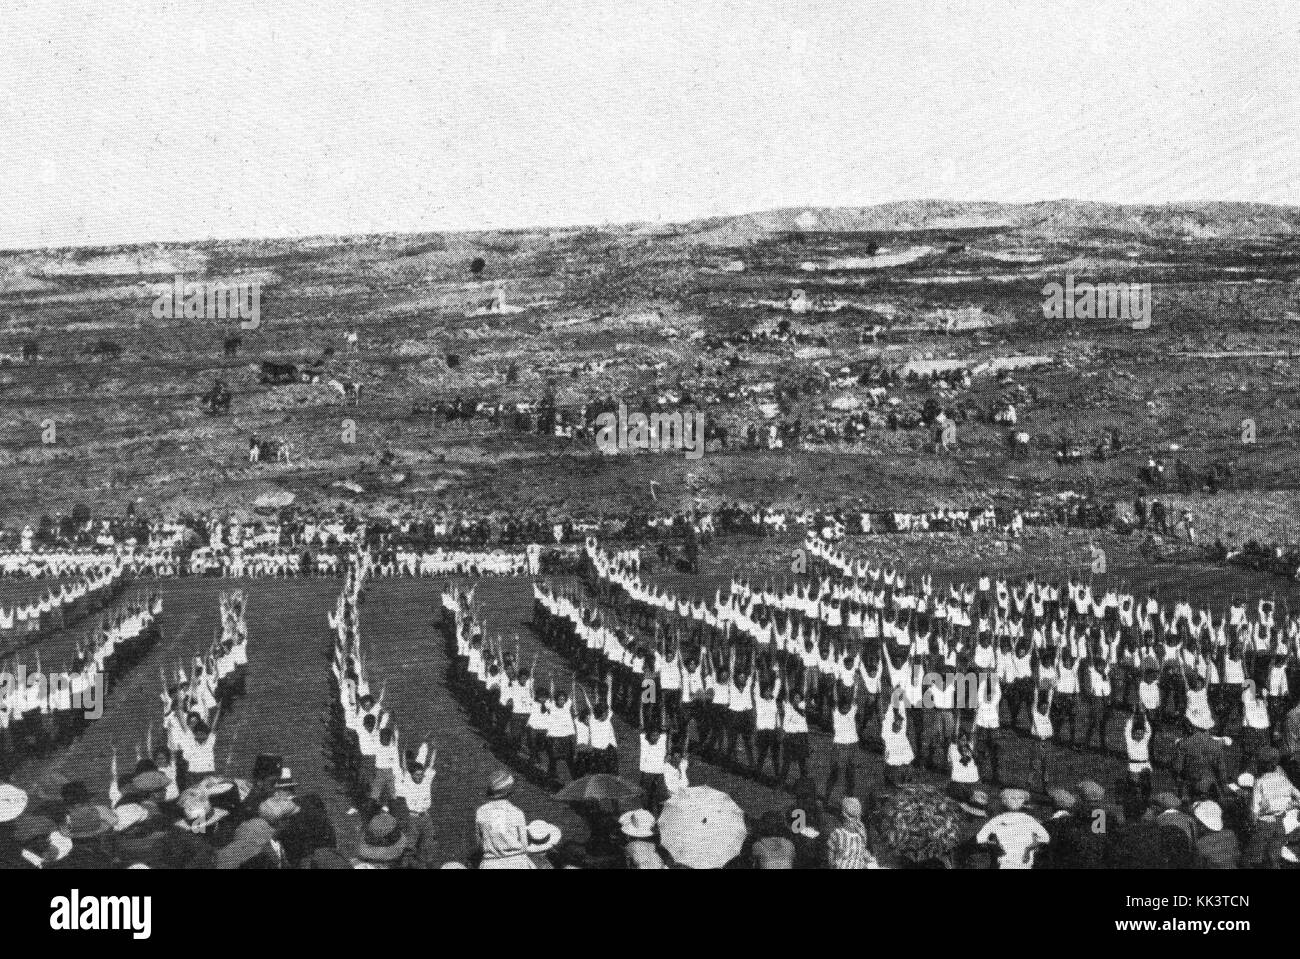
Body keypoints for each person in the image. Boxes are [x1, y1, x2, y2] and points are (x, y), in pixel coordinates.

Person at [975, 789, 1049, 869]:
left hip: (1006, 862)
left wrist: (995, 845)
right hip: (1021, 862)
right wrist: (1028, 849)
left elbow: (981, 838)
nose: (1015, 801)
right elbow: (1045, 838)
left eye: (1018, 798)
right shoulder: (1029, 819)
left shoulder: (998, 819)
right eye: (1013, 798)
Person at [475, 769, 532, 869]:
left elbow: (479, 844)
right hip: (517, 863)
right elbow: (524, 845)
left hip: (491, 864)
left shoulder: (481, 812)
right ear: (509, 792)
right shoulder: (516, 812)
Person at [826, 796, 877, 869]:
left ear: (842, 815)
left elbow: (831, 858)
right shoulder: (861, 834)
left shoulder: (836, 834)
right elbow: (862, 851)